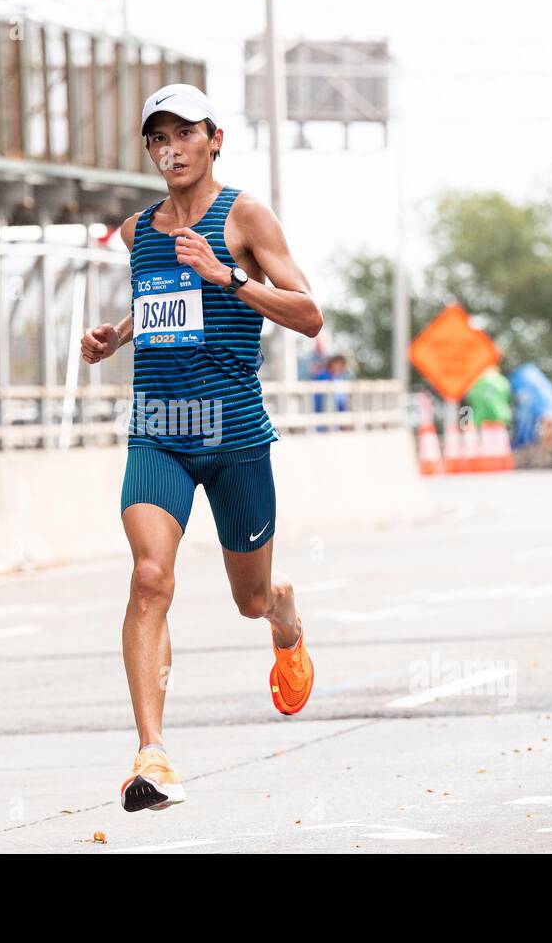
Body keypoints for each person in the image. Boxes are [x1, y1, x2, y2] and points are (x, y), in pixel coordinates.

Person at [80, 83, 323, 813]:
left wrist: (229, 274)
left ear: (214, 138)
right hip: (157, 429)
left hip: (234, 433)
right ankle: (152, 756)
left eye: (183, 133)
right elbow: (164, 298)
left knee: (249, 598)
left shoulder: (244, 214)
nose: (170, 149)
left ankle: (284, 616)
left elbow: (309, 314)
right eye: (157, 138)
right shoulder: (138, 231)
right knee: (150, 576)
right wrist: (116, 334)